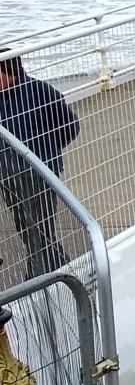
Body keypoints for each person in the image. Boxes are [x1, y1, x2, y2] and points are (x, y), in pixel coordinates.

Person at [0, 56, 81, 280]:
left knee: (41, 225)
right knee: (24, 227)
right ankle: (60, 266)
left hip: (41, 172)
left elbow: (70, 125)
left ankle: (37, 275)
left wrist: (49, 151)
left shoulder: (39, 91)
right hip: (7, 174)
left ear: (10, 72)